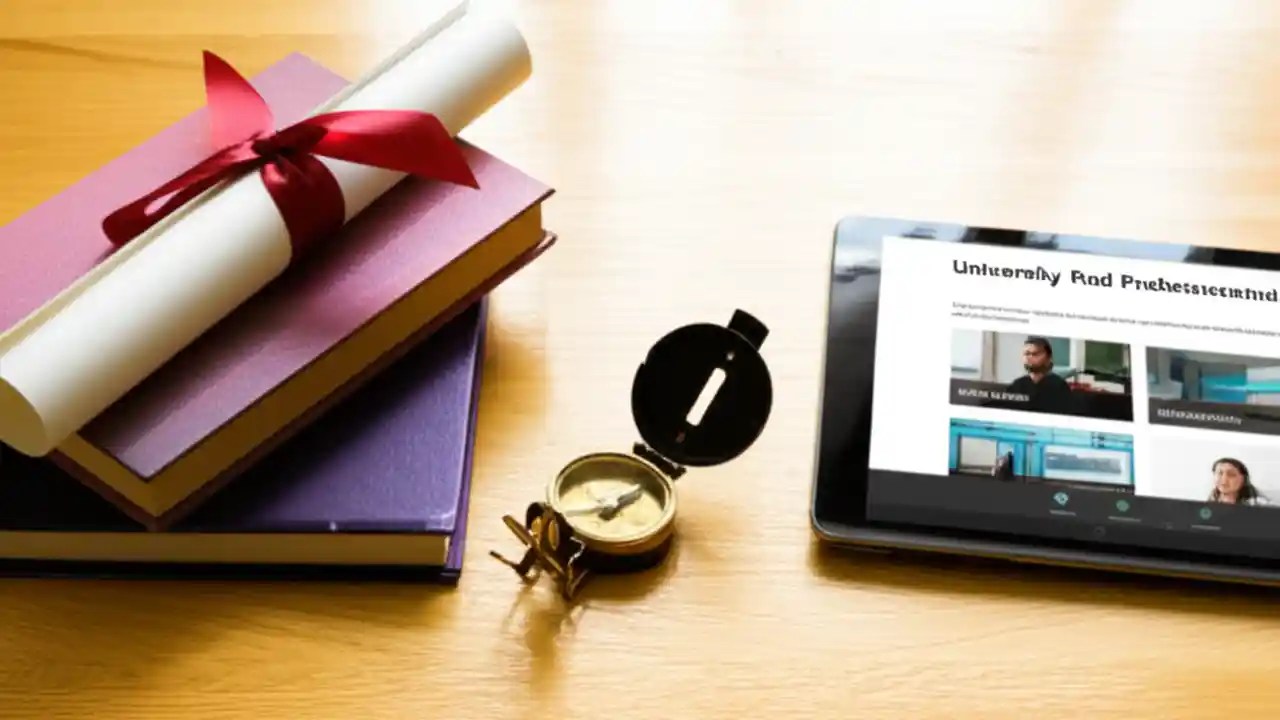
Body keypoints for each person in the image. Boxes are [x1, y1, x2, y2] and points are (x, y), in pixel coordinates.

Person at [1006, 337, 1075, 415]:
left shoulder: (1059, 386)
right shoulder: (1017, 385)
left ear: (1048, 358)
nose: (1029, 357)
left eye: (1035, 354)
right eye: (1027, 353)